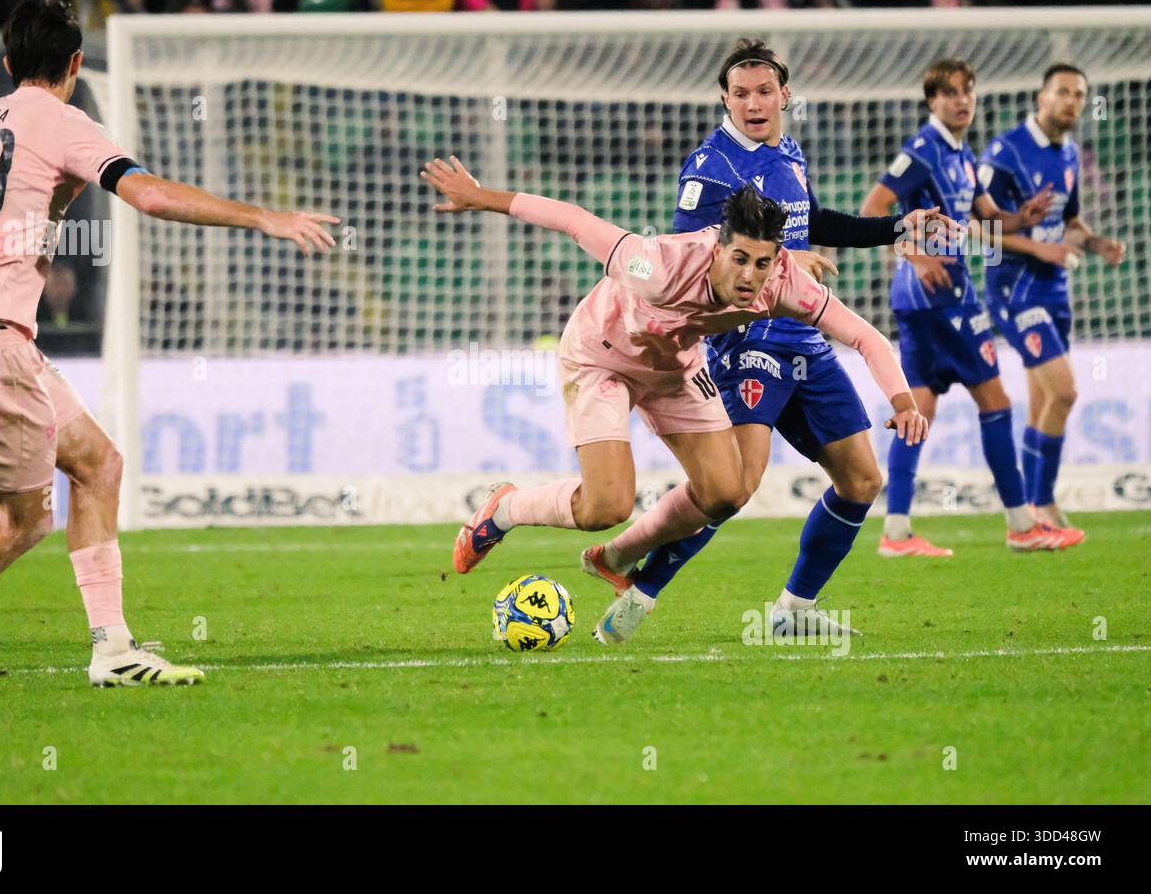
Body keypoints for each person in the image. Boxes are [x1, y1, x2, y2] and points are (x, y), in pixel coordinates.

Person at [0, 0, 337, 691]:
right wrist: (261, 217)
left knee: (98, 463)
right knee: (21, 523)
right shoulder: (63, 121)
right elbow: (147, 196)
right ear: (77, 64)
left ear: (7, 63)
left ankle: (112, 646)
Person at [420, 158, 927, 606]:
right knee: (607, 506)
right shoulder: (657, 264)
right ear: (717, 249)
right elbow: (575, 221)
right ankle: (504, 508)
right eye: (740, 259)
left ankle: (616, 560)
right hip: (603, 359)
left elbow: (865, 336)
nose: (750, 276)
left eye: (763, 263)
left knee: (727, 493)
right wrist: (482, 197)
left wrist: (903, 402)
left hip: (676, 368)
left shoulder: (784, 281)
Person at [596, 37, 952, 646]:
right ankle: (640, 588)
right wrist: (784, 262)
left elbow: (813, 221)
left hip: (802, 336)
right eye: (740, 94)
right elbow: (693, 260)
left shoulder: (788, 151)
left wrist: (897, 227)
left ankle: (792, 609)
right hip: (747, 336)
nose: (753, 103)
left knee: (862, 479)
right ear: (725, 100)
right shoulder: (710, 169)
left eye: (764, 92)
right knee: (734, 487)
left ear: (784, 95)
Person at [859, 57, 1084, 556]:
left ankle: (895, 532)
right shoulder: (923, 150)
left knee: (921, 409)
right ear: (932, 100)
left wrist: (1021, 216)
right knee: (997, 403)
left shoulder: (961, 154)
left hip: (926, 298)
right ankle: (1022, 523)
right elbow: (872, 210)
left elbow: (990, 218)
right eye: (950, 92)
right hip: (941, 294)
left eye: (968, 91)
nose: (962, 100)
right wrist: (917, 258)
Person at [978, 63, 1124, 527]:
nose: (1071, 101)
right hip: (1014, 290)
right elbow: (983, 228)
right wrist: (1039, 246)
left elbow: (1069, 220)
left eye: (1079, 94)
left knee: (1044, 402)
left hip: (1054, 290)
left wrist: (1097, 243)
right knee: (1065, 391)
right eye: (1063, 92)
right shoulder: (1005, 152)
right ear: (1041, 97)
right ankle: (1041, 503)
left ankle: (1024, 511)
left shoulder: (1070, 154)